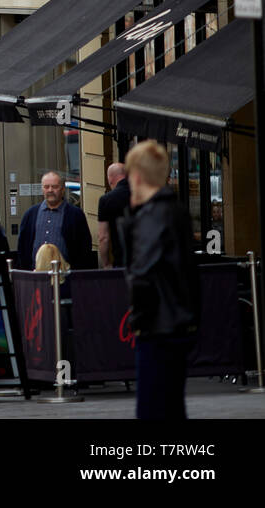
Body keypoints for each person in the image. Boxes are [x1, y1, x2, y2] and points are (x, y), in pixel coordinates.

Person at [120, 140, 199, 420]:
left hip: (157, 327)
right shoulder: (176, 211)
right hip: (179, 324)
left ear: (137, 177)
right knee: (173, 407)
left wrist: (137, 320)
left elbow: (142, 274)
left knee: (153, 409)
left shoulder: (152, 216)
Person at [16, 170, 92, 270]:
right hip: (36, 276)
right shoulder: (31, 214)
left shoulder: (75, 215)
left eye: (55, 187)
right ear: (42, 189)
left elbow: (84, 247)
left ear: (63, 189)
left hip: (66, 276)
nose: (50, 190)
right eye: (46, 187)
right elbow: (22, 246)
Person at [96, 162, 130, 268]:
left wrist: (106, 263)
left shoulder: (106, 200)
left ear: (110, 179)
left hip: (121, 261)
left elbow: (103, 237)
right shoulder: (141, 193)